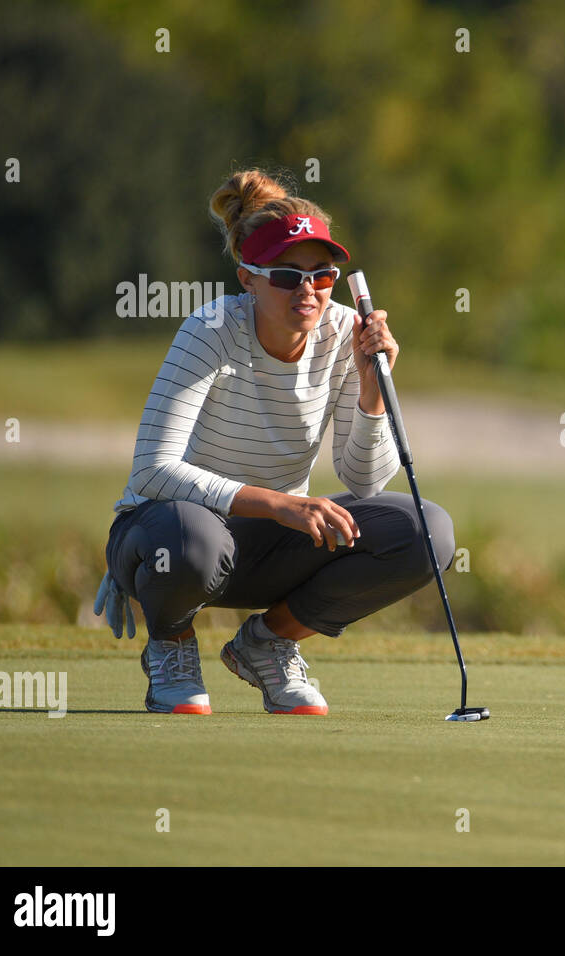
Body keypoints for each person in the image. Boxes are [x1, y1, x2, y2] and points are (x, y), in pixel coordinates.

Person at [92, 168, 455, 715]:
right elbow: (151, 471)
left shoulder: (343, 332)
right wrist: (277, 503)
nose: (308, 290)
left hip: (266, 544)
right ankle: (171, 645)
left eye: (323, 274)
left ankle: (266, 645)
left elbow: (363, 481)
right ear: (249, 278)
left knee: (427, 531)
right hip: (172, 536)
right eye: (287, 276)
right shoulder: (211, 329)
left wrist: (373, 385)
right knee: (190, 537)